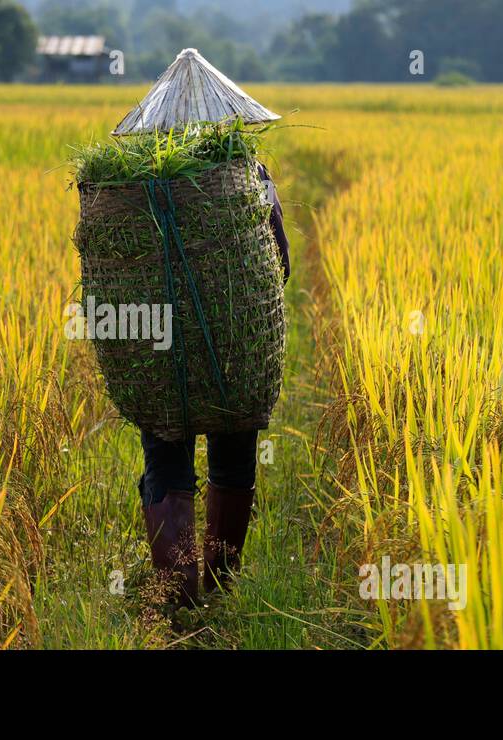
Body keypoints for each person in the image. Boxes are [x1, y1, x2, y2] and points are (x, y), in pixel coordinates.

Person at [139, 162, 289, 609]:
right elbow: (279, 263)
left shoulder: (138, 180)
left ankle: (178, 604)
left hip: (162, 350)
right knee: (234, 463)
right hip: (235, 350)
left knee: (166, 466)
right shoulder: (249, 172)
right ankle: (220, 590)